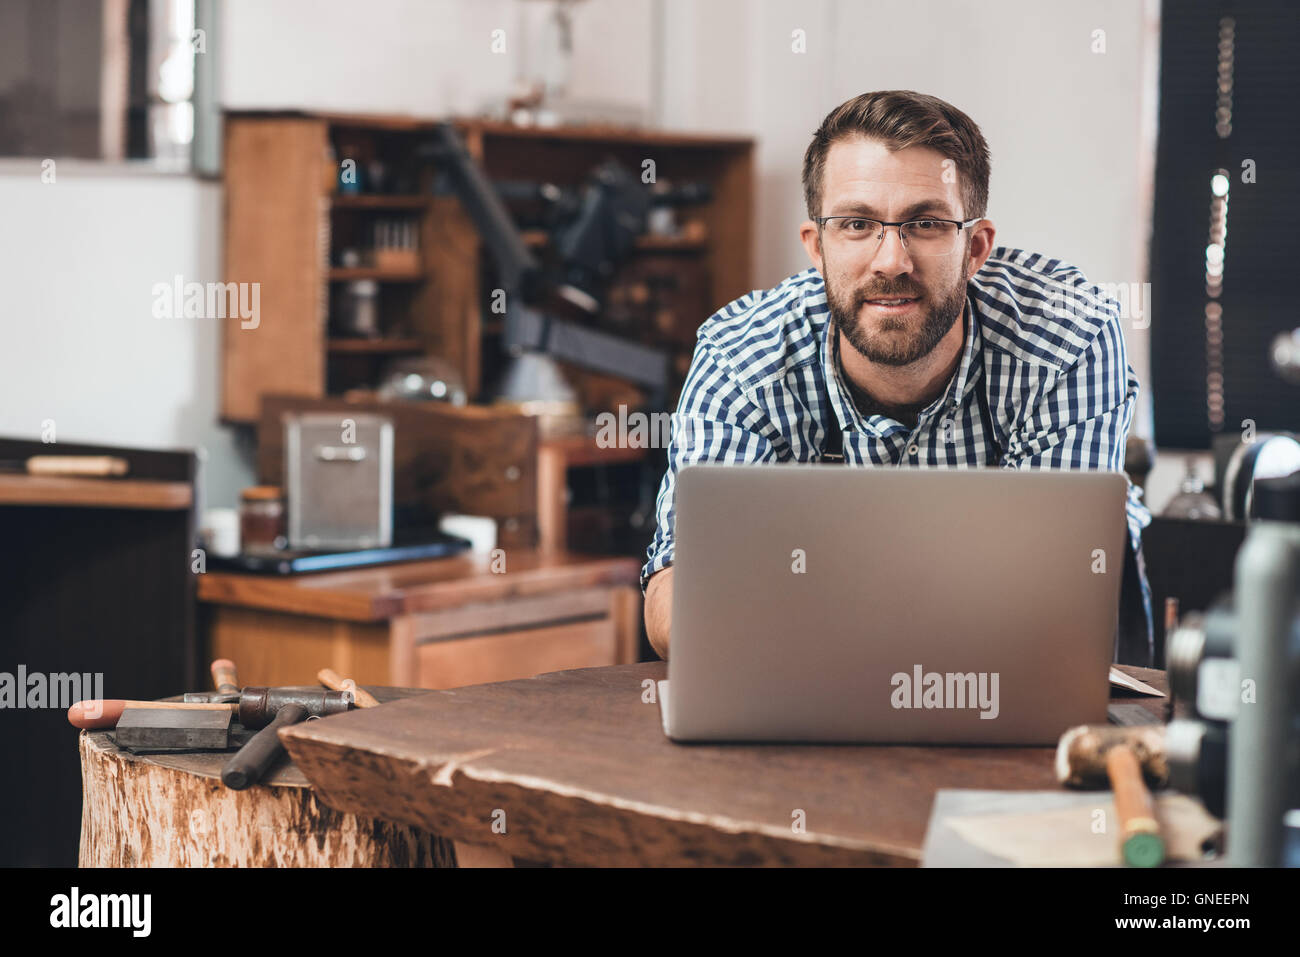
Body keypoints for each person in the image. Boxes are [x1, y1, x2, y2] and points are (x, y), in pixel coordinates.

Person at [641, 90, 1152, 661]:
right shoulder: (744, 358)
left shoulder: (1064, 339)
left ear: (975, 247)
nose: (891, 262)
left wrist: (793, 598)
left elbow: (1054, 607)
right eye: (858, 223)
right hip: (817, 701)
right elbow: (674, 605)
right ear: (817, 247)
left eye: (927, 223)